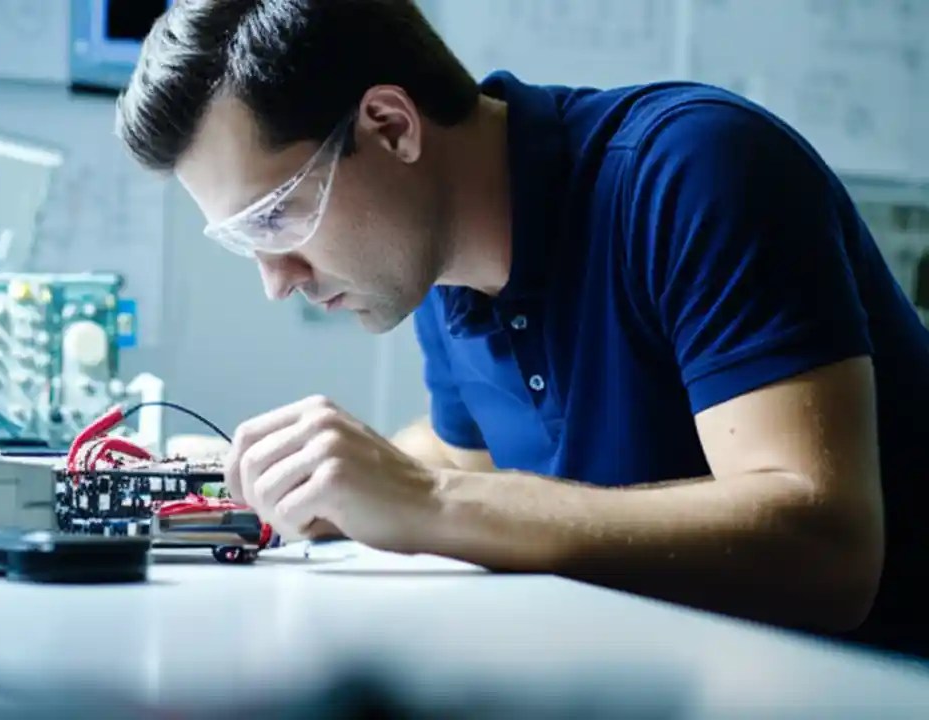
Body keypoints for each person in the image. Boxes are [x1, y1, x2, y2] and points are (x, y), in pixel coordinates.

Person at [113, 0, 929, 657]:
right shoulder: (436, 265)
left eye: (278, 216)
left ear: (392, 125)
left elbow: (828, 550)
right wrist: (299, 480)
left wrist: (430, 499)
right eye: (243, 240)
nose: (275, 279)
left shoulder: (697, 171)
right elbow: (469, 457)